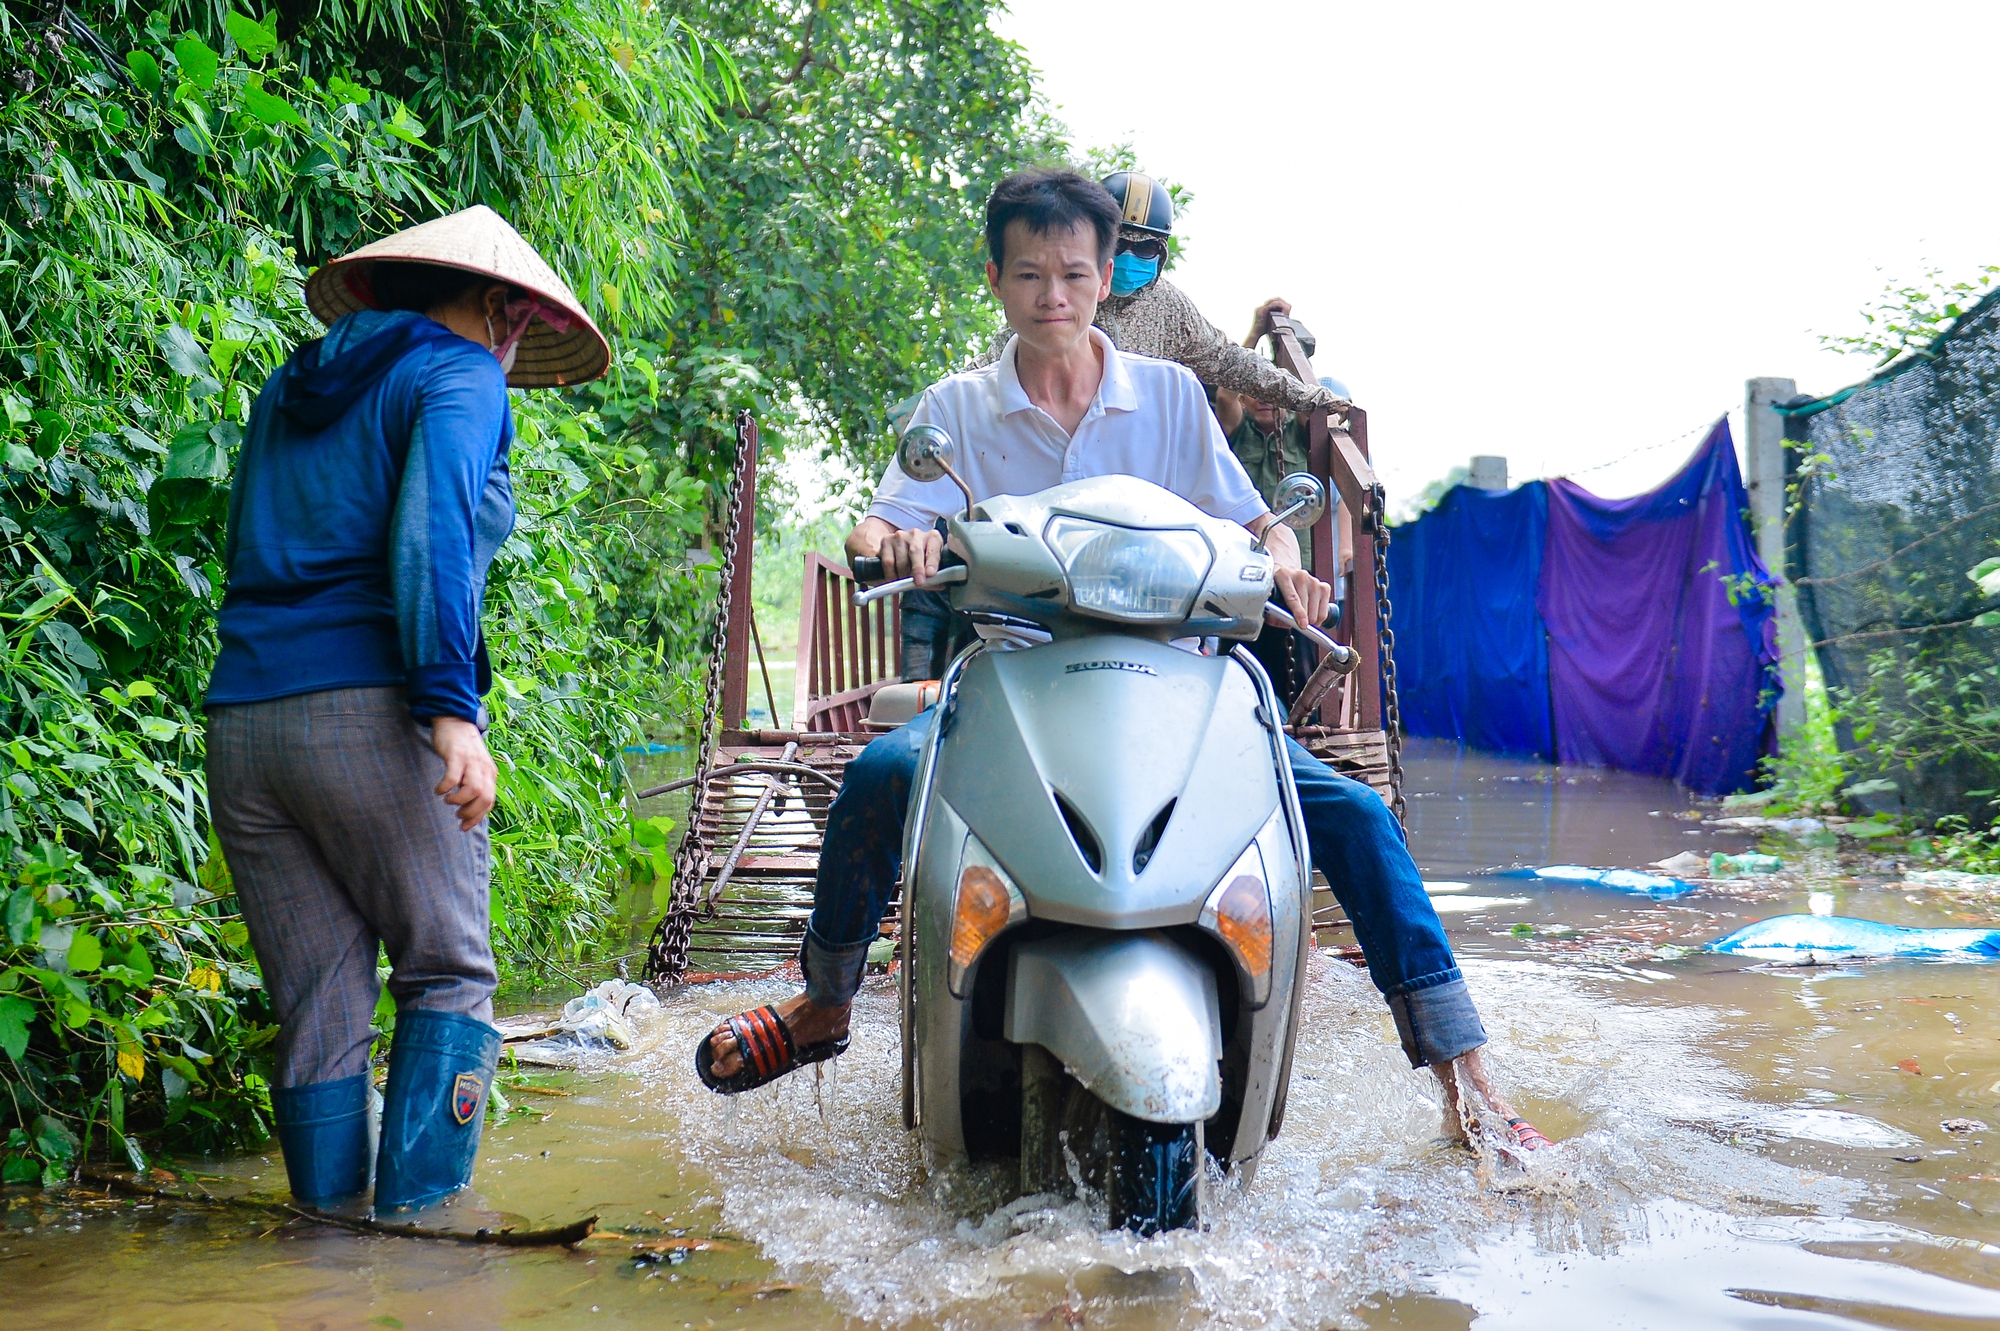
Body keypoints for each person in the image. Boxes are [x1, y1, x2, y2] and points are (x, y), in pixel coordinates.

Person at [697, 169, 1547, 1153]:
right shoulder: (957, 409)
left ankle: (1467, 1082)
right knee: (879, 773)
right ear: (994, 279)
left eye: (1072, 273)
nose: (1051, 296)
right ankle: (826, 1001)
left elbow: (1255, 520)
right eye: (1028, 274)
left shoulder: (1172, 399)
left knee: (1354, 815)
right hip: (1014, 681)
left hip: (1178, 684)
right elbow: (878, 521)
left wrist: (1284, 558)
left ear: (1106, 278)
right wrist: (897, 540)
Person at [204, 206, 610, 1210]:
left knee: (320, 1003)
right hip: (372, 713)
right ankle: (426, 1253)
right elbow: (432, 537)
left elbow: (247, 542)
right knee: (447, 973)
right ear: (494, 303)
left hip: (245, 726)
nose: (516, 345)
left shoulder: (287, 386)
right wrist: (450, 710)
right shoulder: (457, 373)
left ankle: (329, 1252)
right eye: (518, 322)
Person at [972, 170, 1347, 420]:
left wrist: (1309, 397)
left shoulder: (1170, 309)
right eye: (1120, 245)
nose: (1130, 257)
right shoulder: (1064, 300)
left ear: (1162, 253)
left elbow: (1230, 362)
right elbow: (988, 368)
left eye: (1146, 248)